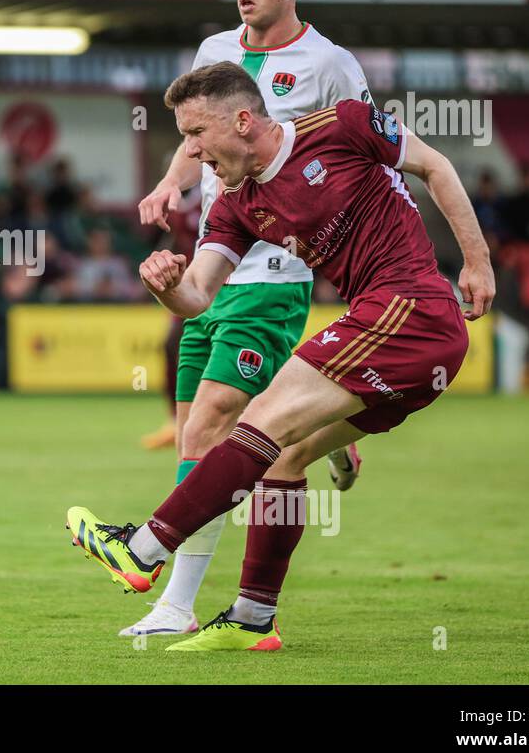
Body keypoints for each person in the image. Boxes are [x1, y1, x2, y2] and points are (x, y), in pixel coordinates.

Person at [67, 61, 495, 651]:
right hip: (387, 328)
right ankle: (252, 617)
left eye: (196, 135)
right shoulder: (235, 205)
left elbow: (435, 165)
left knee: (257, 424)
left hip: (412, 312)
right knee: (283, 458)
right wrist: (164, 284)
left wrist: (476, 262)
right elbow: (197, 296)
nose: (189, 153)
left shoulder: (342, 126)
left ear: (243, 121)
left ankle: (142, 549)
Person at [126, 0, 374, 638]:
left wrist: (345, 252)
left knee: (207, 421)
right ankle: (328, 418)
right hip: (215, 263)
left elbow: (368, 162)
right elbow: (197, 129)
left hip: (274, 270)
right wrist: (173, 180)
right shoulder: (213, 48)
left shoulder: (330, 65)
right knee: (192, 438)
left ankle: (173, 604)